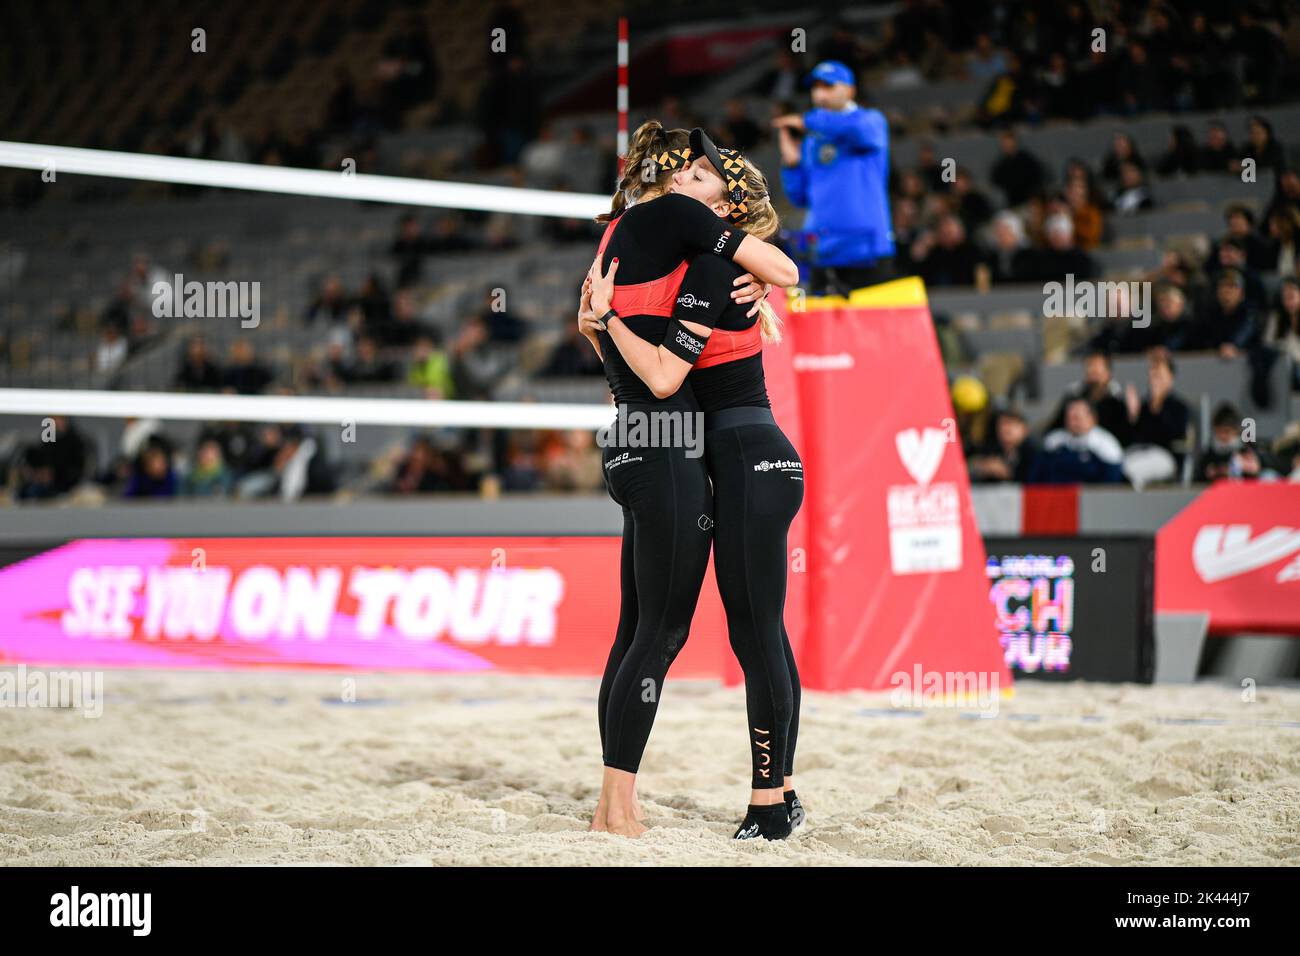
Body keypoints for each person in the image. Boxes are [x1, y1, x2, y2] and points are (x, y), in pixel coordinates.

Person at [576, 120, 797, 839]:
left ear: (724, 207)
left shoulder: (668, 250)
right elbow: (668, 377)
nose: (683, 176)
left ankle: (770, 800)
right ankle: (629, 808)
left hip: (676, 445)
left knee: (655, 631)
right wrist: (607, 319)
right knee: (695, 633)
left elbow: (784, 274)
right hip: (682, 444)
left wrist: (603, 320)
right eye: (682, 167)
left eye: (701, 173)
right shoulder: (686, 251)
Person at [773, 60, 893, 295]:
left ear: (850, 90)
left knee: (873, 328)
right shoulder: (812, 140)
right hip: (823, 250)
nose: (820, 93)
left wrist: (807, 121)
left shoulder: (871, 121)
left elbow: (857, 131)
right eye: (815, 86)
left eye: (828, 86)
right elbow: (801, 199)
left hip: (867, 249)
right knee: (826, 330)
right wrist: (792, 165)